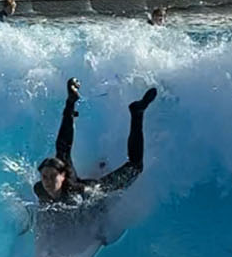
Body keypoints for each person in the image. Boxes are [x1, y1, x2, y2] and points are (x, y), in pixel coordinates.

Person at [35, 78, 157, 206]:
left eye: (52, 177)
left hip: (94, 188)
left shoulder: (80, 194)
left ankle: (137, 113)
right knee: (62, 151)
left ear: (62, 176)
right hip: (71, 184)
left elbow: (96, 200)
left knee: (135, 167)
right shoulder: (40, 189)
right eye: (44, 177)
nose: (47, 182)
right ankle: (70, 101)